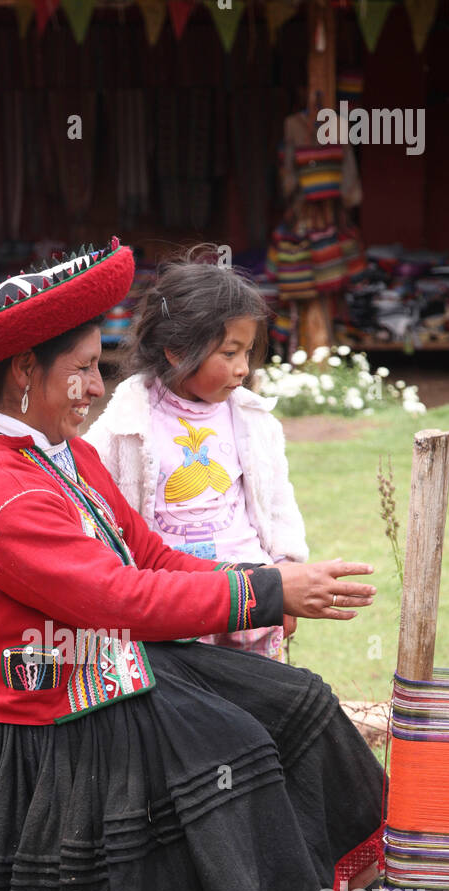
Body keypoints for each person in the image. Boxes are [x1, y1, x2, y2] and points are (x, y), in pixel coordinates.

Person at [0, 238, 385, 891]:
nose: (96, 386)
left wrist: (264, 585)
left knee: (292, 702)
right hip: (45, 713)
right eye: (83, 369)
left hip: (103, 665)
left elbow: (148, 551)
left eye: (99, 365)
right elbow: (116, 597)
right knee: (228, 748)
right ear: (24, 371)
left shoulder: (58, 453)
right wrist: (261, 593)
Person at [85, 250, 306, 662]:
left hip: (251, 590)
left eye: (247, 352)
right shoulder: (125, 424)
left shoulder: (254, 421)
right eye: (229, 353)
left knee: (255, 691)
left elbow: (278, 503)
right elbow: (98, 508)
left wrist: (285, 575)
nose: (243, 368)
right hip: (174, 597)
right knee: (189, 700)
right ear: (175, 350)